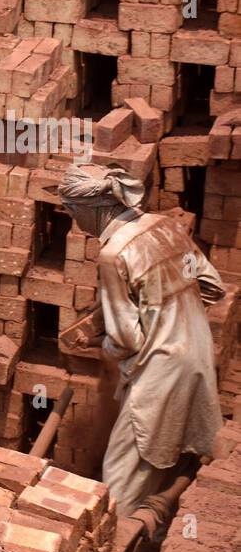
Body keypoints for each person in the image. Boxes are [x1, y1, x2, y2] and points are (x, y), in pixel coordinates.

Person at [59, 162, 224, 515]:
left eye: (71, 211)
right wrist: (173, 316)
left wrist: (96, 341)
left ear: (93, 209)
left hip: (160, 369)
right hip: (196, 353)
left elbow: (127, 341)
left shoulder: (112, 254)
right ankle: (158, 526)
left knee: (121, 476)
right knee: (170, 455)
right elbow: (211, 286)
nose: (73, 220)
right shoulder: (165, 226)